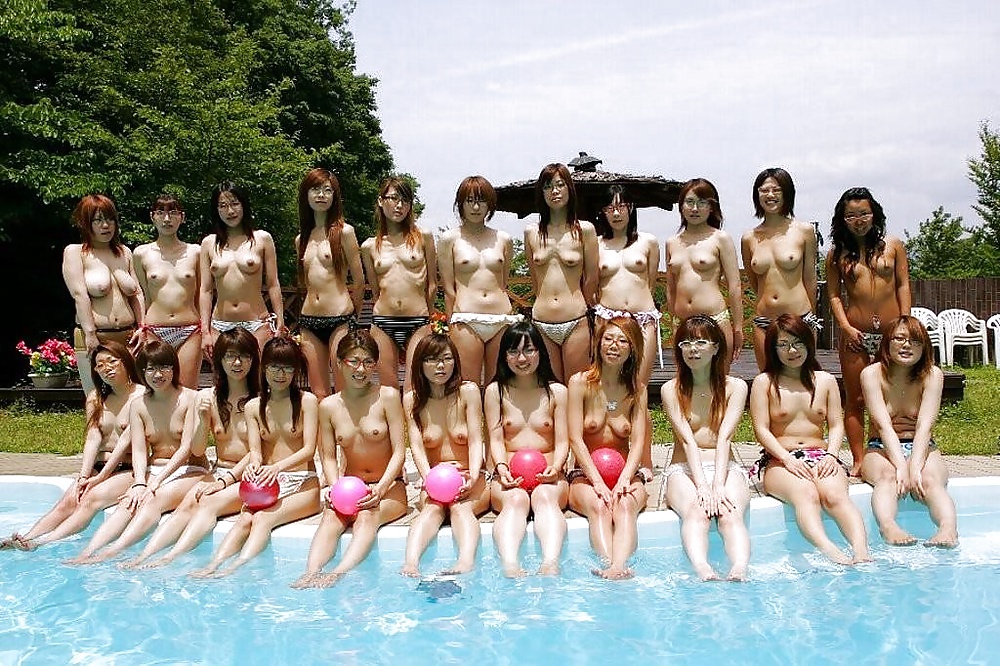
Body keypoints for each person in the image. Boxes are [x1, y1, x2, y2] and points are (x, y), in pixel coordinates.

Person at [119, 328, 261, 569]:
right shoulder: (208, 397)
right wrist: (203, 420)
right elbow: (197, 450)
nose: (237, 363)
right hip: (219, 470)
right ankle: (145, 556)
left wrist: (224, 481)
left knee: (206, 504)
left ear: (253, 360)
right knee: (187, 504)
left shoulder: (261, 399)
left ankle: (170, 558)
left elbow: (258, 452)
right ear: (219, 360)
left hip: (249, 474)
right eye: (230, 356)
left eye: (244, 356)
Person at [65, 341, 206, 564]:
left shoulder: (192, 398)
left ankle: (118, 553)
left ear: (174, 368)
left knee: (151, 500)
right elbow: (139, 450)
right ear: (142, 372)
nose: (158, 375)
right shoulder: (139, 404)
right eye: (151, 369)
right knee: (129, 501)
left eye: (164, 367)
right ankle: (89, 552)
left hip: (190, 469)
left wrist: (155, 482)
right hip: (154, 468)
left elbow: (186, 449)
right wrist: (140, 482)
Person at [190, 337, 320, 577]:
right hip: (270, 483)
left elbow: (309, 450)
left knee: (262, 520)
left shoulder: (307, 402)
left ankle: (233, 568)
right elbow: (256, 452)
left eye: (287, 368)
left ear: (295, 370)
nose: (280, 374)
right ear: (264, 368)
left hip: (303, 483)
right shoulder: (253, 406)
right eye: (274, 367)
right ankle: (213, 565)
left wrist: (276, 467)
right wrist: (254, 466)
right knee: (244, 519)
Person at [749, 314, 870, 565]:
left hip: (822, 455)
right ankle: (831, 551)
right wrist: (787, 459)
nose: (792, 351)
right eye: (783, 345)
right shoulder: (764, 383)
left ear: (808, 343)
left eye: (797, 343)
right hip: (780, 460)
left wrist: (832, 455)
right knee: (806, 494)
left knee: (835, 496)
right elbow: (761, 429)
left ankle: (861, 552)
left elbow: (836, 424)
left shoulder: (825, 381)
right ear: (773, 349)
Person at [291, 328, 407, 588]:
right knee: (330, 518)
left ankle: (338, 573)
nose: (361, 369)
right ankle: (310, 572)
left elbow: (400, 451)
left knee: (367, 517)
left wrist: (381, 488)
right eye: (353, 361)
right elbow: (328, 457)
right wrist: (335, 488)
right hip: (349, 487)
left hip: (389, 487)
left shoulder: (387, 397)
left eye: (368, 362)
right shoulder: (328, 406)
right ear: (340, 363)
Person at [1, 342, 145, 550]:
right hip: (98, 466)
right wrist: (84, 476)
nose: (107, 368)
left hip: (128, 468)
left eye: (112, 361)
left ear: (126, 361)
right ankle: (25, 538)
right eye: (100, 365)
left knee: (91, 499)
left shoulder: (142, 396)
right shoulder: (96, 397)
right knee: (68, 502)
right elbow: (93, 437)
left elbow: (126, 442)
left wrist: (100, 478)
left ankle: (40, 542)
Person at [826, 187, 911, 475]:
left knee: (887, 396)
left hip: (891, 334)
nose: (859, 220)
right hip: (856, 335)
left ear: (874, 214)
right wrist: (845, 327)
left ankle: (884, 452)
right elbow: (834, 296)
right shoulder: (836, 254)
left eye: (864, 213)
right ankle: (859, 459)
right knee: (856, 399)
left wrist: (904, 322)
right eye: (851, 215)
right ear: (842, 219)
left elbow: (903, 285)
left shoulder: (893, 246)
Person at [660, 316, 750, 581]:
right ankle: (703, 569)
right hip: (683, 469)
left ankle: (739, 569)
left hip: (726, 467)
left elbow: (725, 438)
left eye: (700, 342)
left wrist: (718, 485)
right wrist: (702, 486)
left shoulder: (736, 387)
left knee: (730, 513)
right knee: (697, 512)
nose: (693, 349)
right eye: (686, 343)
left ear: (716, 347)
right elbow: (687, 440)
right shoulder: (671, 389)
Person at [861, 316, 957, 547]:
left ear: (924, 347)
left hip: (922, 444)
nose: (907, 345)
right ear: (887, 343)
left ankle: (948, 529)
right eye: (899, 339)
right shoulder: (871, 374)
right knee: (888, 478)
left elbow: (925, 426)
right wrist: (900, 466)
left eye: (915, 341)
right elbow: (883, 425)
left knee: (929, 480)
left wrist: (914, 465)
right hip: (880, 446)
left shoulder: (932, 375)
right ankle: (888, 527)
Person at [400, 328, 490, 577]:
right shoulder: (412, 400)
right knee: (432, 510)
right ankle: (410, 564)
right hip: (435, 479)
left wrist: (473, 476)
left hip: (471, 475)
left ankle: (465, 562)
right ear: (420, 364)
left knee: (461, 508)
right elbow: (416, 446)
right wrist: (428, 478)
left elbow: (476, 439)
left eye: (447, 359)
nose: (440, 366)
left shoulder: (468, 392)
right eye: (432, 359)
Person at [567, 316, 649, 580]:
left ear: (632, 348)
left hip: (626, 475)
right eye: (609, 339)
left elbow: (638, 442)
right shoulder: (580, 383)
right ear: (599, 343)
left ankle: (618, 567)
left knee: (625, 507)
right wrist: (598, 483)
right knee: (600, 507)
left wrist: (625, 478)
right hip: (585, 475)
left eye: (623, 341)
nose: (614, 346)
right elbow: (575, 439)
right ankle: (607, 564)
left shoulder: (637, 389)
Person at [486, 321, 569, 577]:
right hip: (508, 476)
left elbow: (563, 441)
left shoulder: (557, 392)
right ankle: (510, 564)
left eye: (529, 350)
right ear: (504, 356)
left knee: (544, 497)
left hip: (550, 475)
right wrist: (502, 468)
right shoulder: (495, 391)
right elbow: (496, 439)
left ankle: (550, 563)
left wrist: (556, 468)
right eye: (513, 351)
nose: (521, 358)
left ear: (540, 352)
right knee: (516, 499)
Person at [438, 176, 523, 385]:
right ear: (460, 204)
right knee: (468, 385)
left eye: (481, 201)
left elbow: (503, 282)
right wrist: (450, 324)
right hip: (466, 319)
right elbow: (448, 289)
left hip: (501, 317)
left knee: (499, 385)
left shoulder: (503, 239)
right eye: (470, 201)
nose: (476, 207)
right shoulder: (449, 239)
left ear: (490, 205)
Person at [63, 194, 145, 393]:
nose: (105, 225)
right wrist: (90, 333)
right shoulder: (75, 252)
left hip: (129, 337)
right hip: (96, 336)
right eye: (97, 220)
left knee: (133, 395)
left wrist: (143, 327)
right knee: (96, 397)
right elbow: (79, 295)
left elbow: (137, 293)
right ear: (85, 223)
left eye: (109, 219)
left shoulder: (124, 252)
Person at [524, 163, 599, 382]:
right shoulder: (531, 232)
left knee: (577, 385)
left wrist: (581, 305)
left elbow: (592, 277)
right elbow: (535, 279)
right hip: (541, 320)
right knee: (551, 388)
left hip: (575, 318)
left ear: (569, 189)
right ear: (541, 192)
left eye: (560, 184)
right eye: (548, 186)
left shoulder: (585, 230)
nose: (554, 191)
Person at [360, 176, 436, 390]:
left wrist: (428, 317)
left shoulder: (423, 237)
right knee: (389, 389)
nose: (399, 205)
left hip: (418, 319)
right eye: (393, 198)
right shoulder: (369, 246)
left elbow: (432, 283)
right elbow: (376, 290)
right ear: (381, 201)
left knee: (415, 388)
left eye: (405, 200)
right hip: (383, 321)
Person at [295, 168, 365, 397]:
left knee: (344, 389)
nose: (321, 195)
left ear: (335, 196)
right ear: (306, 194)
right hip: (309, 320)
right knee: (319, 392)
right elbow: (307, 283)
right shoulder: (301, 239)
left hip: (340, 317)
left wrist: (353, 315)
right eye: (315, 189)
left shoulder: (345, 232)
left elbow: (359, 281)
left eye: (327, 190)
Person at [740, 168, 819, 369]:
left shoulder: (804, 231)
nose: (770, 195)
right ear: (757, 194)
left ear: (787, 193)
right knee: (767, 380)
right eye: (764, 190)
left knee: (803, 379)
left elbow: (810, 278)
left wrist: (810, 319)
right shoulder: (749, 238)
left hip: (799, 318)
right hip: (764, 321)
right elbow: (754, 280)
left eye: (776, 190)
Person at [199, 181, 284, 360]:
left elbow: (273, 284)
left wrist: (280, 321)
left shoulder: (262, 238)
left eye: (235, 203)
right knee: (222, 376)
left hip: (257, 323)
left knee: (257, 375)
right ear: (216, 210)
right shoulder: (208, 243)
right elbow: (205, 290)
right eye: (223, 206)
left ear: (244, 204)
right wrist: (205, 330)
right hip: (219, 325)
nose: (230, 211)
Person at [665, 178, 744, 366]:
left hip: (715, 319)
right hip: (682, 323)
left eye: (702, 202)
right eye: (689, 202)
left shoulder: (720, 238)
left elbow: (735, 286)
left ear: (711, 207)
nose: (695, 208)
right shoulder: (671, 242)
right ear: (681, 206)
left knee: (718, 380)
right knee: (685, 380)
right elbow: (671, 287)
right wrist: (674, 322)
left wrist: (738, 327)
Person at [133, 194, 202, 388]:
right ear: (152, 216)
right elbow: (142, 294)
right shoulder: (141, 253)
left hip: (189, 329)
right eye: (160, 213)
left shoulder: (196, 252)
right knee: (156, 390)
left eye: (173, 213)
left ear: (182, 217)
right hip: (154, 328)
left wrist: (204, 327)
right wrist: (142, 326)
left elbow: (202, 293)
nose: (166, 219)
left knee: (187, 390)